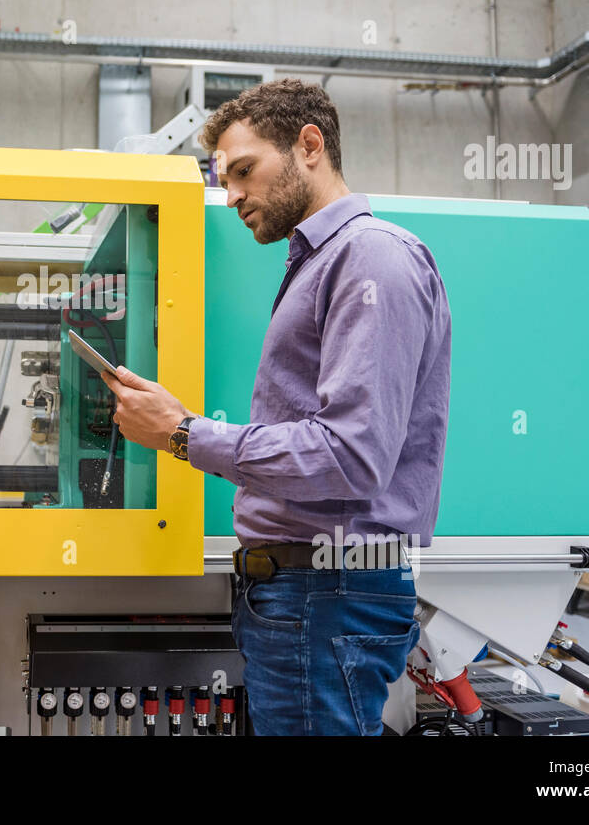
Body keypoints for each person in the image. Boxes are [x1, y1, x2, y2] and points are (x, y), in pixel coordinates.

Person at [101, 78, 452, 735]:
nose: (230, 196)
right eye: (222, 178)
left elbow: (351, 457)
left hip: (327, 592)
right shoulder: (320, 264)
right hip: (308, 591)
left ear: (309, 145)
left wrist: (182, 432)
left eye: (243, 171)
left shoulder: (368, 258)